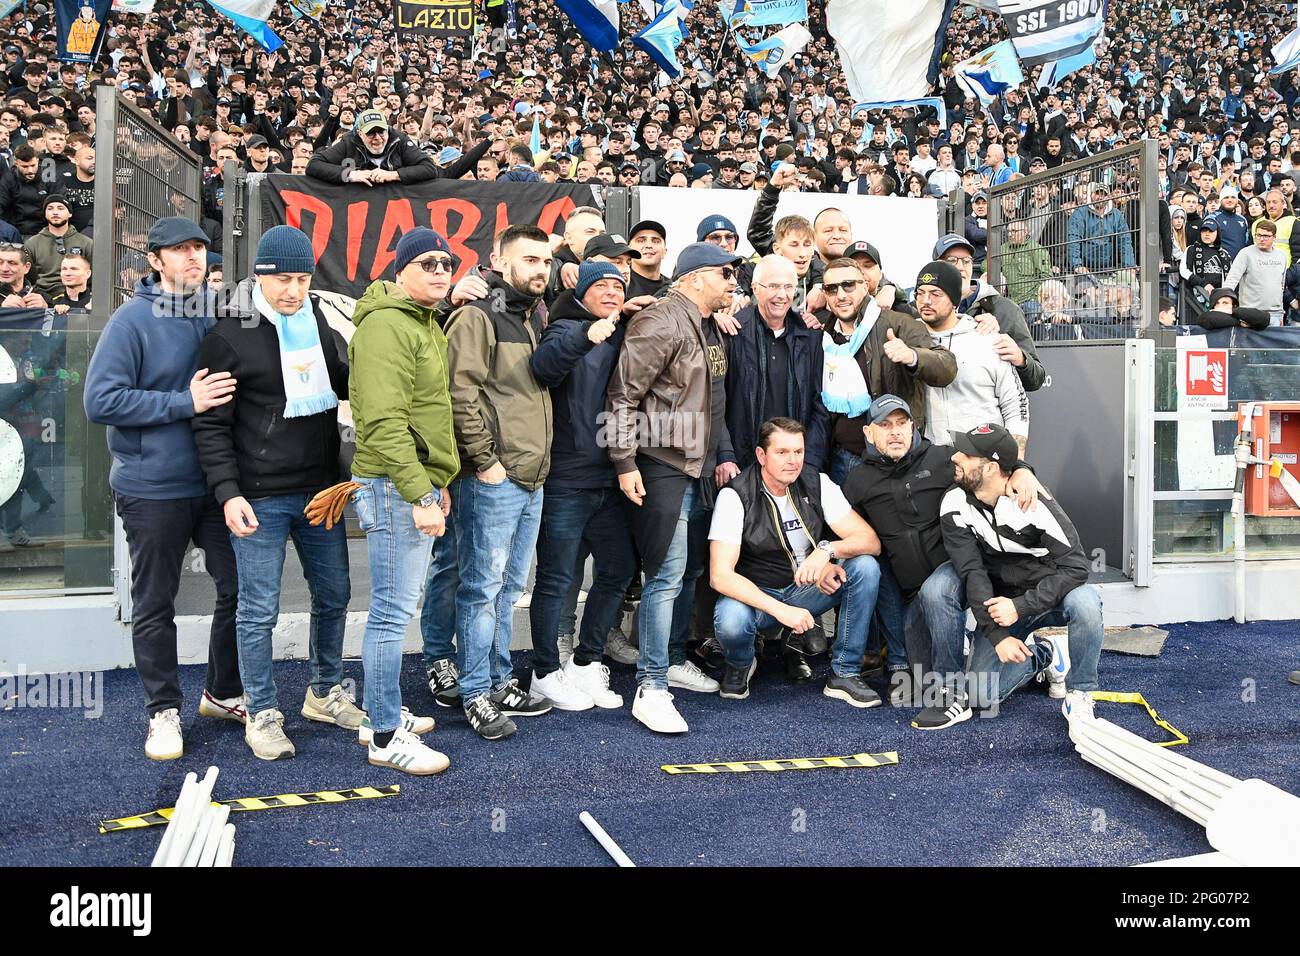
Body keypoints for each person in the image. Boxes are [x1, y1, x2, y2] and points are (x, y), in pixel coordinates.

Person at [190, 225, 358, 760]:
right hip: (257, 496)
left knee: (333, 596)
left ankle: (324, 692)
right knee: (258, 610)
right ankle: (262, 712)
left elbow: (351, 390)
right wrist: (228, 492)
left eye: (302, 278)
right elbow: (211, 426)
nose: (293, 290)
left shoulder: (325, 327)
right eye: (283, 278)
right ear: (260, 275)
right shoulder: (228, 334)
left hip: (321, 491)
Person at [83, 217, 244, 761]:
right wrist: (184, 402)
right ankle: (163, 712)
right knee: (156, 603)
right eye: (179, 249)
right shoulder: (130, 321)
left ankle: (221, 693)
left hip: (218, 484)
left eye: (199, 247)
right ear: (155, 260)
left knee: (240, 590)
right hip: (152, 487)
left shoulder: (217, 313)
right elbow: (99, 402)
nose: (192, 257)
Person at [606, 242, 740, 734]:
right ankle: (651, 685)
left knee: (685, 574)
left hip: (695, 467)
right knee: (665, 575)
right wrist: (623, 462)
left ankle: (673, 660)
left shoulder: (708, 326)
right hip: (659, 461)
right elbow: (622, 395)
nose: (732, 281)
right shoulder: (661, 320)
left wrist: (720, 455)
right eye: (724, 272)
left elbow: (715, 400)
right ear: (693, 277)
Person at [842, 394, 1042, 706]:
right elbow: (848, 532)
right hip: (913, 596)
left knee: (938, 593)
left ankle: (954, 692)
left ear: (913, 426)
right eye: (885, 425)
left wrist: (1021, 468)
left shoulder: (943, 459)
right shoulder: (857, 481)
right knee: (923, 681)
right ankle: (1035, 657)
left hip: (957, 572)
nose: (895, 432)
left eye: (901, 423)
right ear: (869, 433)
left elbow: (989, 463)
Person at [347, 227, 457, 775]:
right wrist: (420, 492)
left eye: (448, 262)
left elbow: (422, 414)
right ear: (402, 269)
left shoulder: (418, 321)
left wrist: (435, 484)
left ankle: (377, 717)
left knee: (394, 610)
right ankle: (386, 735)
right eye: (429, 263)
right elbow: (386, 423)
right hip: (394, 486)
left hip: (408, 483)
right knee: (392, 614)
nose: (441, 271)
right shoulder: (390, 325)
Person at [444, 223, 556, 741]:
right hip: (495, 477)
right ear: (500, 260)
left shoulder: (534, 315)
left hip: (531, 476)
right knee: (481, 588)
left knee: (509, 587)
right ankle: (473, 694)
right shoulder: (475, 314)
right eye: (529, 259)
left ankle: (497, 678)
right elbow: (459, 394)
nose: (540, 269)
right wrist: (485, 461)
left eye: (545, 260)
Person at [915, 422, 1102, 729]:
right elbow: (972, 572)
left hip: (1042, 597)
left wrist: (1022, 606)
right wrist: (998, 635)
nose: (955, 458)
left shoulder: (1033, 499)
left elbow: (1077, 566)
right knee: (980, 694)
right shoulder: (955, 500)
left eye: (965, 454)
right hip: (998, 603)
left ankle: (1080, 694)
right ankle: (1041, 656)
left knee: (1086, 602)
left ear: (990, 468)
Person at [526, 261, 638, 711]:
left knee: (619, 568)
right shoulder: (566, 328)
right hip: (566, 482)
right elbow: (544, 367)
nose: (611, 292)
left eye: (618, 286)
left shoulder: (624, 331)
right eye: (602, 286)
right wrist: (583, 336)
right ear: (583, 293)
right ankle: (543, 672)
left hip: (610, 481)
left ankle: (586, 663)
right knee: (556, 579)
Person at [709, 417, 883, 706]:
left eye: (798, 452)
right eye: (782, 452)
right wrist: (782, 611)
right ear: (761, 455)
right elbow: (720, 576)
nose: (793, 461)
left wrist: (826, 551)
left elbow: (870, 541)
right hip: (758, 597)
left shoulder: (817, 482)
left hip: (806, 590)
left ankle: (844, 673)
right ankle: (741, 664)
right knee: (730, 620)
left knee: (864, 567)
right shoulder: (735, 495)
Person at [820, 257, 956, 484]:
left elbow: (947, 367)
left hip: (895, 461)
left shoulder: (897, 324)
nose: (841, 295)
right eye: (831, 289)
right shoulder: (823, 335)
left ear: (865, 285)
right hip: (843, 459)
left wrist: (913, 356)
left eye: (848, 285)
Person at [913, 261, 1029, 454]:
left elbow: (1016, 403)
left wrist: (1017, 462)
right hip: (930, 461)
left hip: (984, 459)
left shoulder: (986, 338)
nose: (925, 300)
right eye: (920, 292)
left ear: (955, 300)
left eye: (935, 294)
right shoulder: (908, 337)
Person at [936, 234, 1045, 392]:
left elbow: (1036, 379)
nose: (960, 267)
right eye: (952, 260)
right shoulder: (923, 310)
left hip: (984, 411)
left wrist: (1021, 358)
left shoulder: (1004, 309)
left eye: (966, 261)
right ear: (936, 267)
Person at [307, 109, 470, 186]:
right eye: (371, 133)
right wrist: (351, 174)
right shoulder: (349, 141)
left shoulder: (398, 139)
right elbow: (314, 165)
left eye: (381, 132)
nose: (377, 138)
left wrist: (393, 175)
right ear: (360, 133)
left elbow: (428, 168)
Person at [23, 195, 91, 300]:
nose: (55, 212)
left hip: (77, 298)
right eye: (50, 208)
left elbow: (93, 275)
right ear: (45, 213)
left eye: (60, 208)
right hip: (41, 297)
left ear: (70, 213)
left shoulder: (86, 243)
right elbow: (28, 277)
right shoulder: (31, 243)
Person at [1225, 217, 1288, 325]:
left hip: (1275, 314)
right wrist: (1225, 302)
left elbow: (1281, 285)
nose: (1261, 239)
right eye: (1258, 235)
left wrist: (1281, 314)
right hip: (1250, 314)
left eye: (1266, 236)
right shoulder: (1245, 253)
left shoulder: (1282, 255)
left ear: (1274, 237)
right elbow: (1231, 280)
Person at [627, 219, 669, 298]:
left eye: (656, 241)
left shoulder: (674, 289)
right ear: (629, 250)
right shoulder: (619, 285)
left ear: (665, 251)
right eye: (641, 241)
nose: (648, 245)